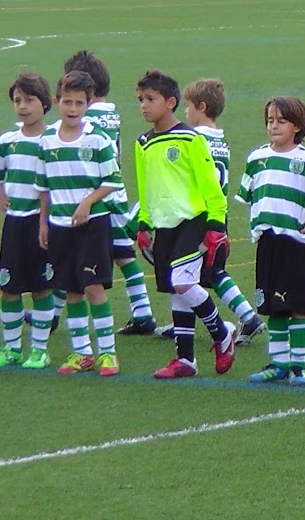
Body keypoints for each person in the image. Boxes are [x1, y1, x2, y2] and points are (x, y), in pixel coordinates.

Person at [134, 70, 238, 379]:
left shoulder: (190, 139)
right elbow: (146, 186)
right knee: (175, 290)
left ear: (171, 102)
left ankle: (221, 332)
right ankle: (186, 360)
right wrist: (143, 223)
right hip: (164, 224)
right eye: (140, 100)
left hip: (194, 221)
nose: (143, 106)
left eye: (150, 99)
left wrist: (216, 224)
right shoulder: (142, 143)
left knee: (182, 282)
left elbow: (210, 185)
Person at [241, 96, 305, 386]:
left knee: (296, 304)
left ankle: (298, 365)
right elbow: (248, 195)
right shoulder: (256, 158)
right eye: (270, 120)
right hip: (267, 241)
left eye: (281, 120)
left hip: (293, 241)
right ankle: (278, 363)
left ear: (297, 126)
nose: (274, 126)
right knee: (272, 305)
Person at [63, 50, 156, 335]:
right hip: (115, 194)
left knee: (69, 254)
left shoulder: (87, 117)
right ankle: (142, 312)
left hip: (97, 198)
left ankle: (51, 314)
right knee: (123, 255)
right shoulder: (110, 113)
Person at [36, 71, 122, 377]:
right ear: (57, 102)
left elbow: (112, 180)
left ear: (87, 104)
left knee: (94, 287)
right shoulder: (46, 139)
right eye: (67, 102)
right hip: (59, 225)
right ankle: (82, 352)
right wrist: (43, 223)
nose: (72, 108)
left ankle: (108, 353)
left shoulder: (97, 137)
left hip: (92, 225)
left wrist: (87, 202)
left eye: (79, 103)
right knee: (71, 290)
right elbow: (43, 185)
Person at [183, 78, 264, 344]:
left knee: (188, 272)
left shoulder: (194, 138)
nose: (185, 112)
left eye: (188, 106)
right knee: (212, 273)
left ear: (202, 107)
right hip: (219, 215)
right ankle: (246, 316)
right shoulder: (220, 140)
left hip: (198, 216)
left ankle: (246, 318)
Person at [0, 73, 55, 369]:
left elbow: (54, 183)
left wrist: (45, 219)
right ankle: (11, 349)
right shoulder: (8, 141)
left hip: (42, 223)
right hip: (15, 222)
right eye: (17, 101)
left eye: (29, 100)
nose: (22, 106)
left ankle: (39, 349)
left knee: (41, 287)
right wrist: (0, 196)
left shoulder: (52, 140)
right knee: (9, 288)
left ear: (45, 104)